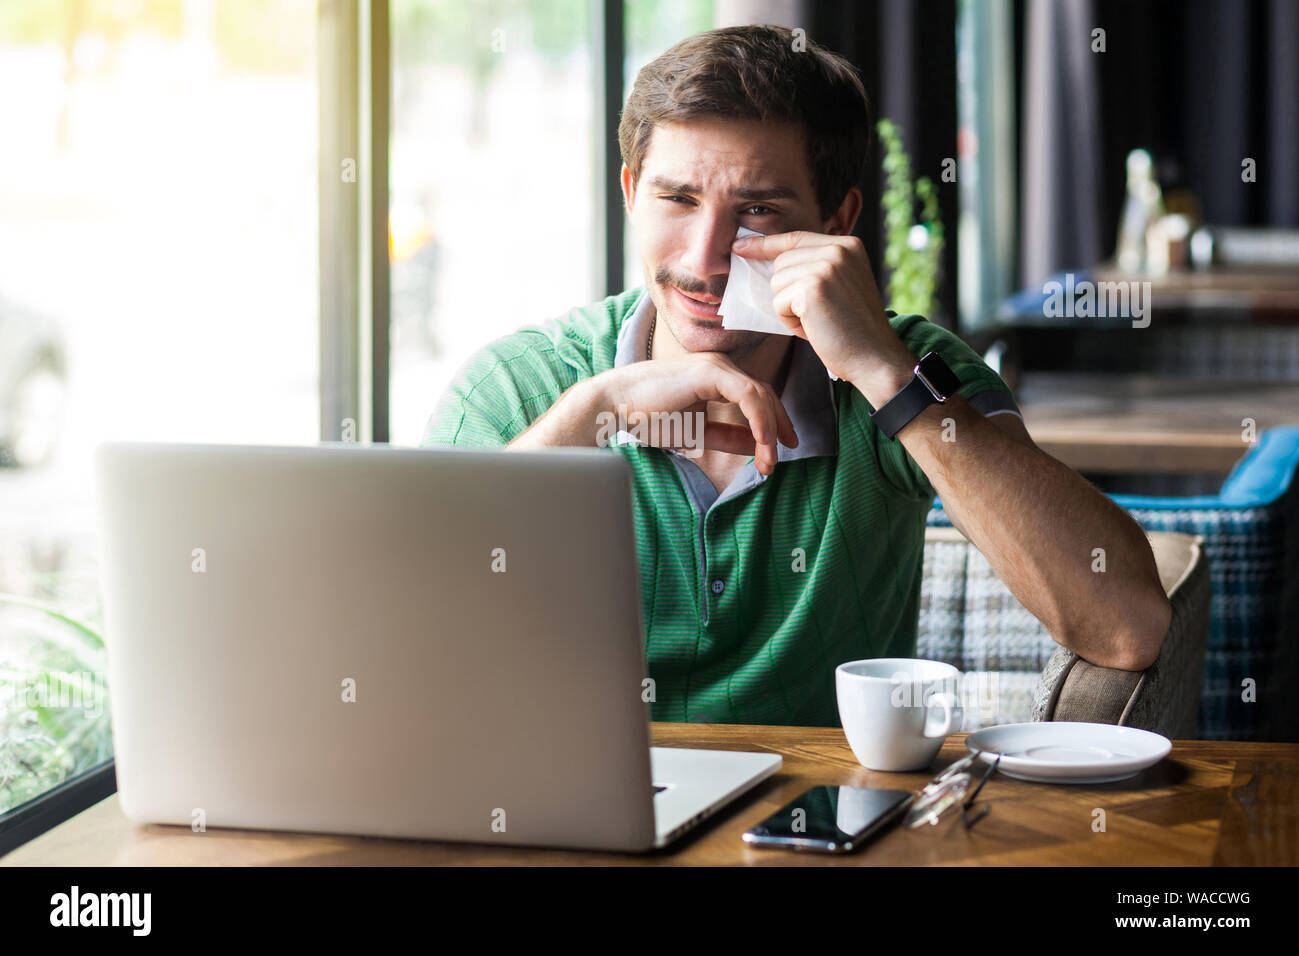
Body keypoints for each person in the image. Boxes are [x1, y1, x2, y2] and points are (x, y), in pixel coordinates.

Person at [422, 24, 1171, 726]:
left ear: (836, 224)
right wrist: (596, 412)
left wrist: (884, 372)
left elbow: (1128, 624)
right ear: (629, 194)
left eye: (758, 212)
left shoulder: (913, 366)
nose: (706, 257)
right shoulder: (522, 384)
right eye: (677, 199)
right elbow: (405, 623)